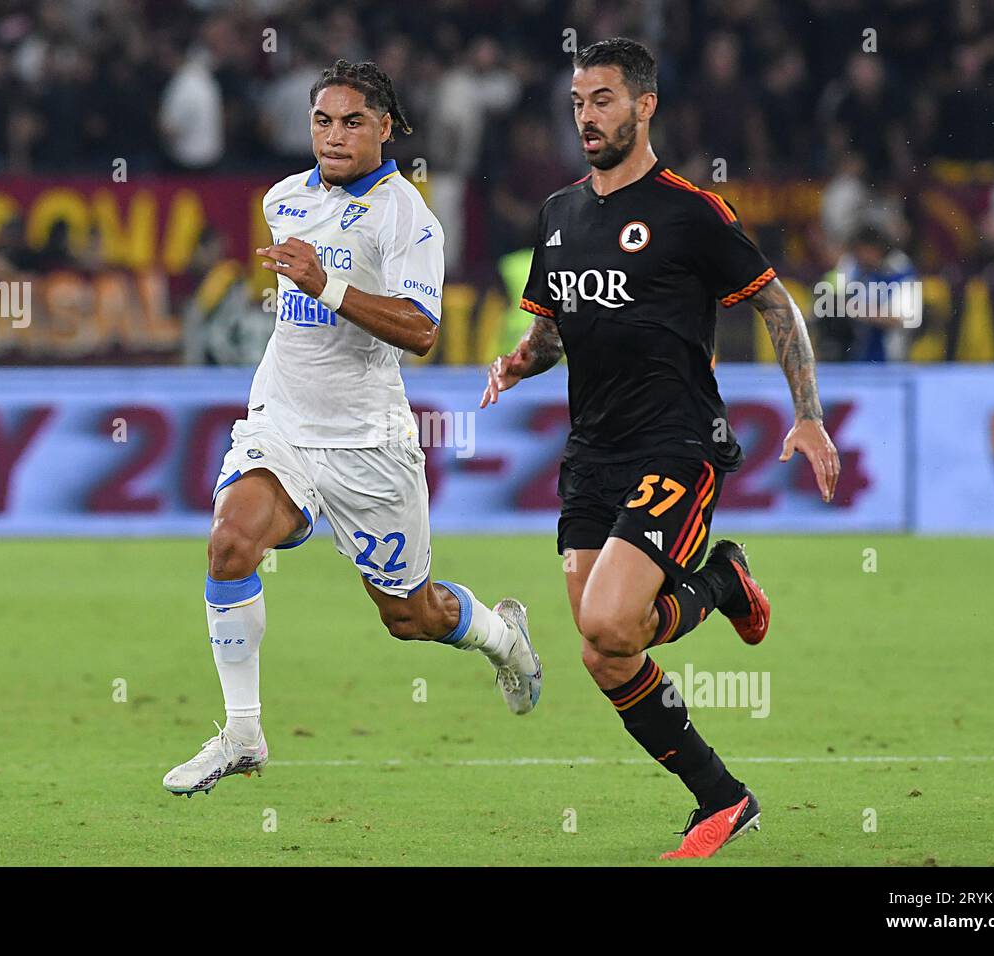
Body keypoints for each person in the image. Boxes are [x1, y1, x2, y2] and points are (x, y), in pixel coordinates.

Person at [481, 38, 841, 859]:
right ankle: (723, 593)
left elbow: (777, 308)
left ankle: (723, 794)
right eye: (577, 102)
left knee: (610, 623)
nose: (586, 117)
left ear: (644, 106)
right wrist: (514, 363)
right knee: (607, 645)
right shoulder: (560, 215)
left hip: (678, 444)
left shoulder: (690, 211)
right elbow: (552, 334)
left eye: (602, 100)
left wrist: (808, 413)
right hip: (591, 453)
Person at [163, 59, 542, 798]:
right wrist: (308, 290)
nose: (334, 136)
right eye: (322, 121)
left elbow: (422, 330)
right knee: (230, 542)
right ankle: (242, 734)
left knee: (409, 616)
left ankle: (503, 637)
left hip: (368, 443)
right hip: (282, 424)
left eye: (352, 122)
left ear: (386, 127)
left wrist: (325, 284)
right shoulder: (283, 199)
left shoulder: (410, 218)